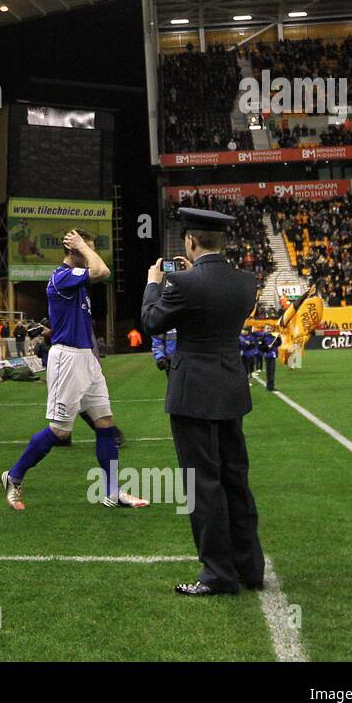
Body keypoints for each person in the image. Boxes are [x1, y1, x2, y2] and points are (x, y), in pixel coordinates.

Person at [141, 207, 266, 597]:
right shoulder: (247, 282)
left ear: (190, 242)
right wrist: (183, 279)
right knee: (235, 477)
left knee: (201, 484)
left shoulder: (182, 282)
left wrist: (155, 282)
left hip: (193, 391)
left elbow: (152, 321)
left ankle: (217, 573)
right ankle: (250, 566)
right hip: (230, 386)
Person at [2, 230, 147, 512]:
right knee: (60, 431)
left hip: (86, 358)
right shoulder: (61, 277)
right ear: (74, 251)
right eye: (86, 249)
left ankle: (112, 491)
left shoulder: (76, 283)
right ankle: (14, 475)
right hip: (67, 358)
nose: (93, 254)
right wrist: (81, 246)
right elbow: (102, 270)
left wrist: (84, 248)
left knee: (105, 422)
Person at [259, 324, 280, 391]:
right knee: (269, 372)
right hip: (268, 356)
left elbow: (278, 344)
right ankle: (270, 387)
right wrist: (267, 347)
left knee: (272, 371)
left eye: (270, 328)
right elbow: (260, 348)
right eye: (267, 328)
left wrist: (279, 338)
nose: (269, 330)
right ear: (264, 329)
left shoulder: (273, 336)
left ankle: (271, 386)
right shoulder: (262, 338)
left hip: (273, 356)